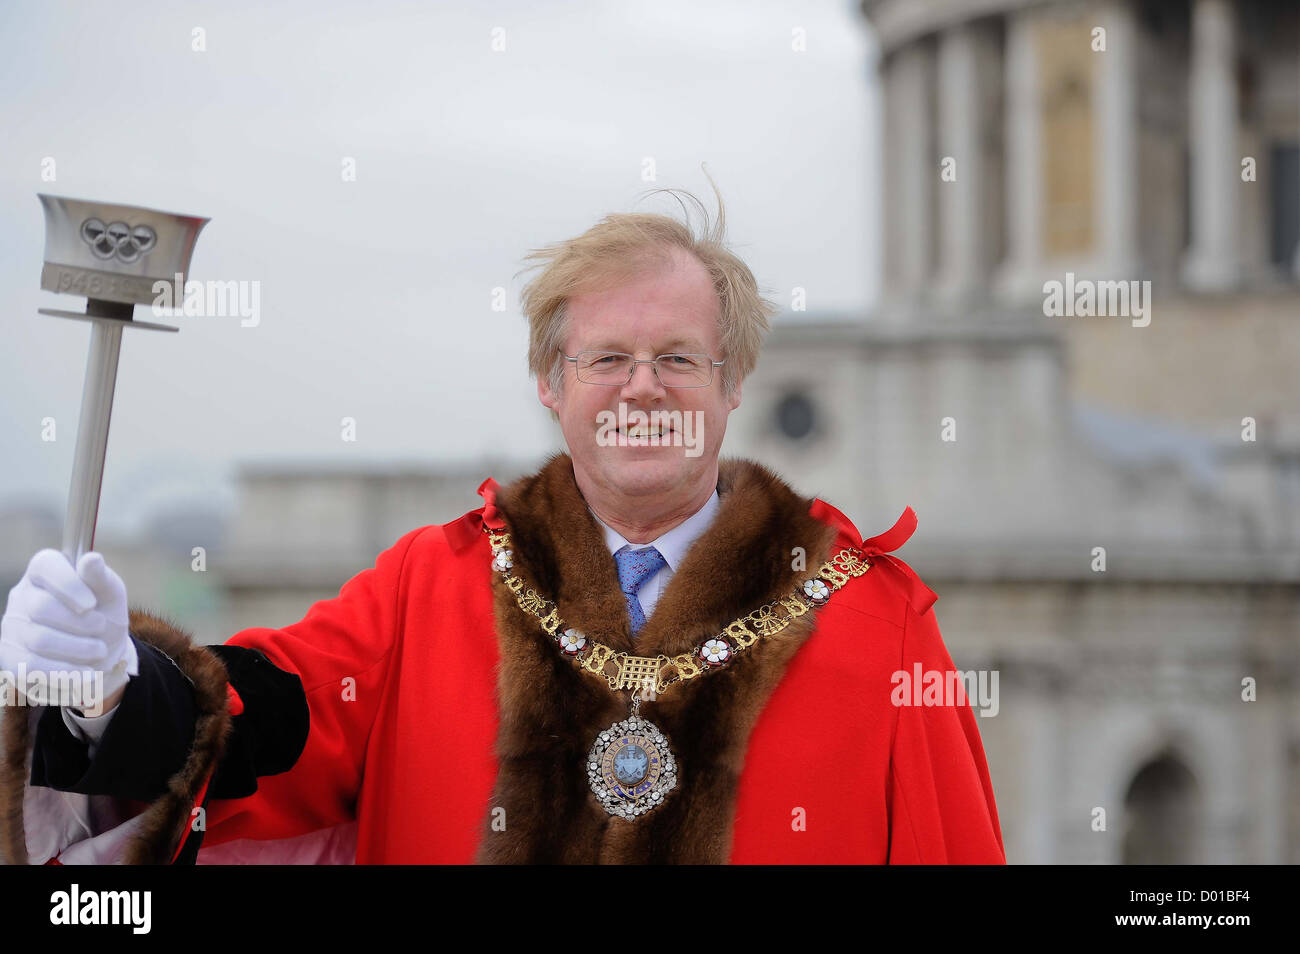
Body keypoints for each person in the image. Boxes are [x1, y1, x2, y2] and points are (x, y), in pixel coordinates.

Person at [0, 188, 1005, 864]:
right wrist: (114, 691)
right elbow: (267, 725)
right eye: (605, 358)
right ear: (549, 385)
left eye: (679, 358)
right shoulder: (426, 589)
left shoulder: (882, 626)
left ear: (732, 383)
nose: (641, 386)